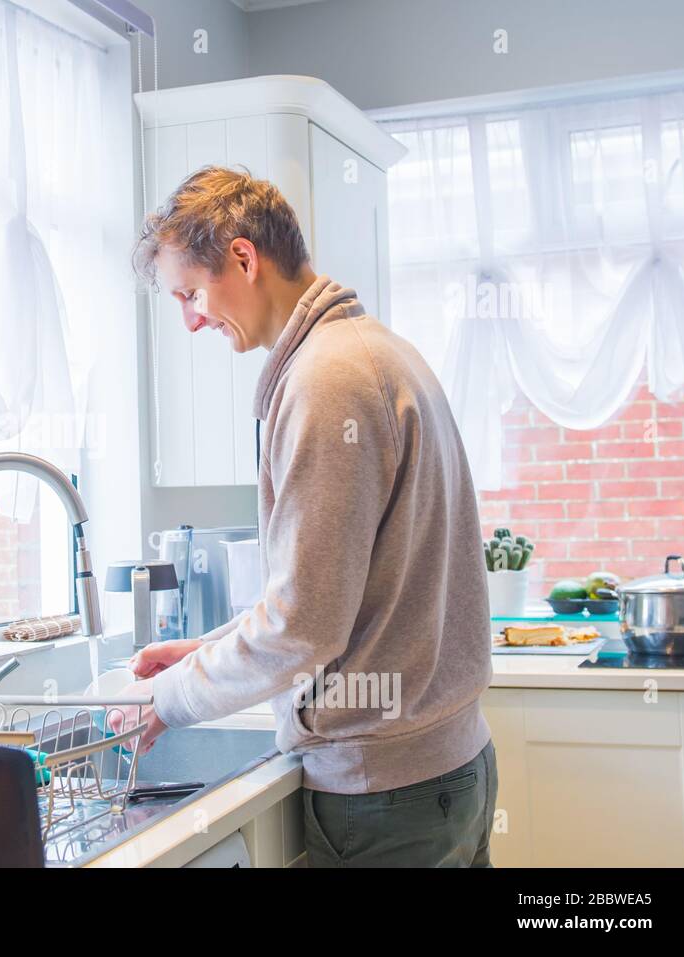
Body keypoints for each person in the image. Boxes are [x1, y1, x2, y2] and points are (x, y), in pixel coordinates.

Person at [123, 165, 497, 867]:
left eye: (191, 293)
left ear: (243, 256)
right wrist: (205, 653)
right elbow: (335, 592)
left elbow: (303, 625)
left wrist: (170, 698)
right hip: (445, 769)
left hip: (385, 797)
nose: (191, 319)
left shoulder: (326, 382)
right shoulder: (378, 351)